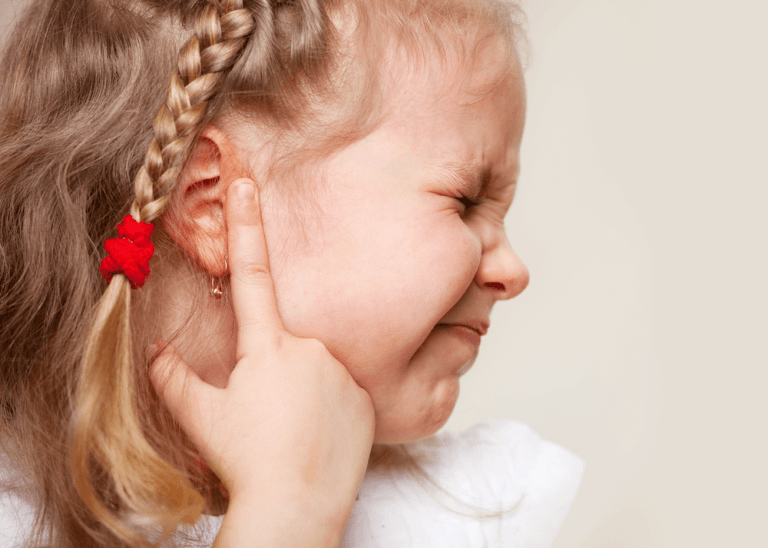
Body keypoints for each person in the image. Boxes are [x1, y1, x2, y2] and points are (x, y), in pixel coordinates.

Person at [0, 0, 583, 546]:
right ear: (214, 206)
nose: (512, 271)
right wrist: (286, 514)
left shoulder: (474, 512)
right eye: (465, 201)